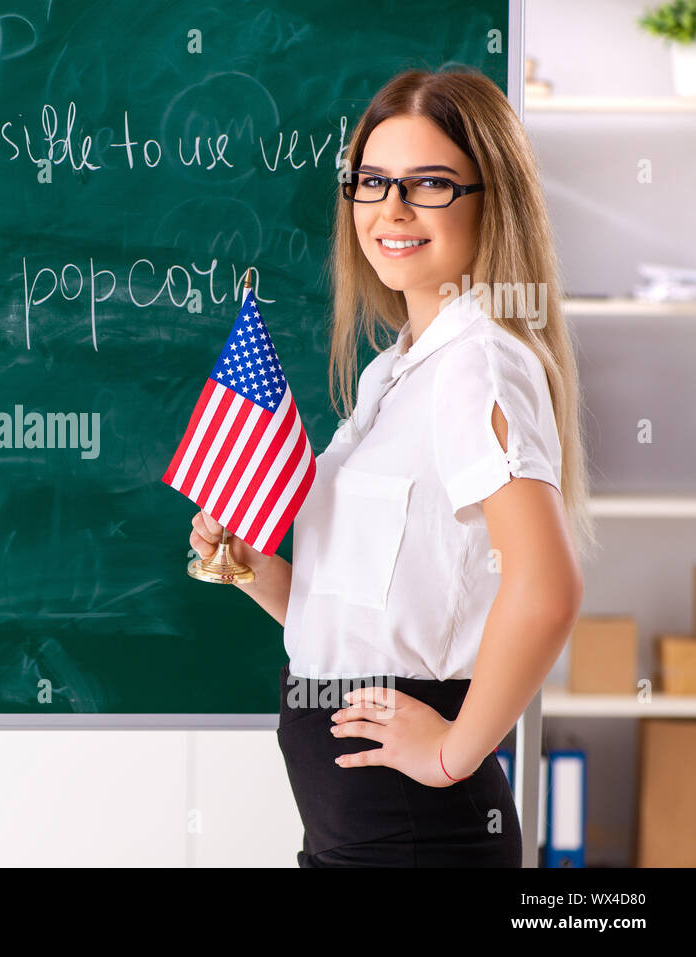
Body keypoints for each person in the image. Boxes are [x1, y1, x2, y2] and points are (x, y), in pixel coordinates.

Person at [189, 68, 595, 867]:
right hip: (351, 824)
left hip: (412, 827)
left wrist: (452, 752)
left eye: (430, 184)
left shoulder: (477, 364)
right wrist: (250, 567)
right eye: (372, 182)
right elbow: (364, 619)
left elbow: (547, 588)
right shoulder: (392, 373)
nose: (392, 210)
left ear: (493, 197)